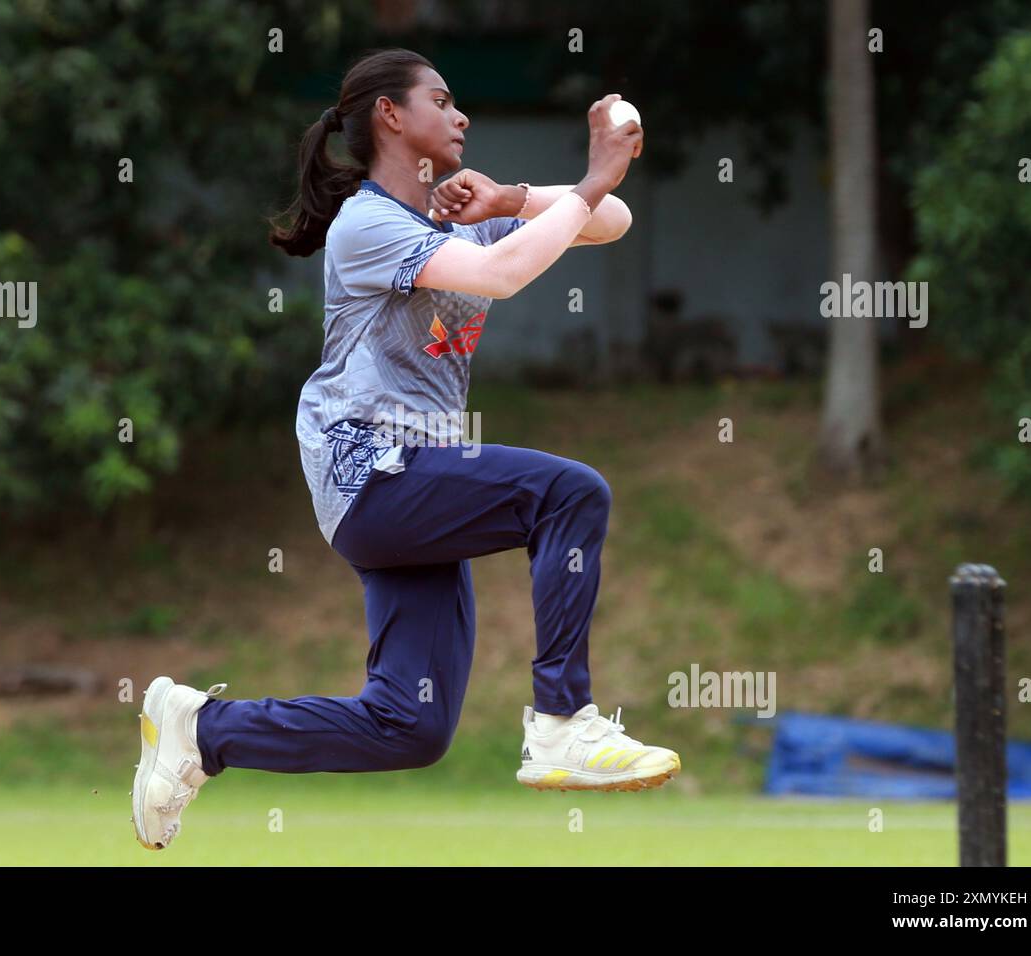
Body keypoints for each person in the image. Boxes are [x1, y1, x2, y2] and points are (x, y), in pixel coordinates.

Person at [132, 47, 679, 851]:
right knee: (570, 493)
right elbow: (500, 275)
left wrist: (513, 196)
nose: (461, 117)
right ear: (391, 115)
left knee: (409, 727)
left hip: (415, 488)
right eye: (443, 100)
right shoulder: (367, 223)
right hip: (370, 470)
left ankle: (203, 730)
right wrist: (592, 173)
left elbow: (610, 223)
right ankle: (563, 720)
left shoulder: (462, 212)